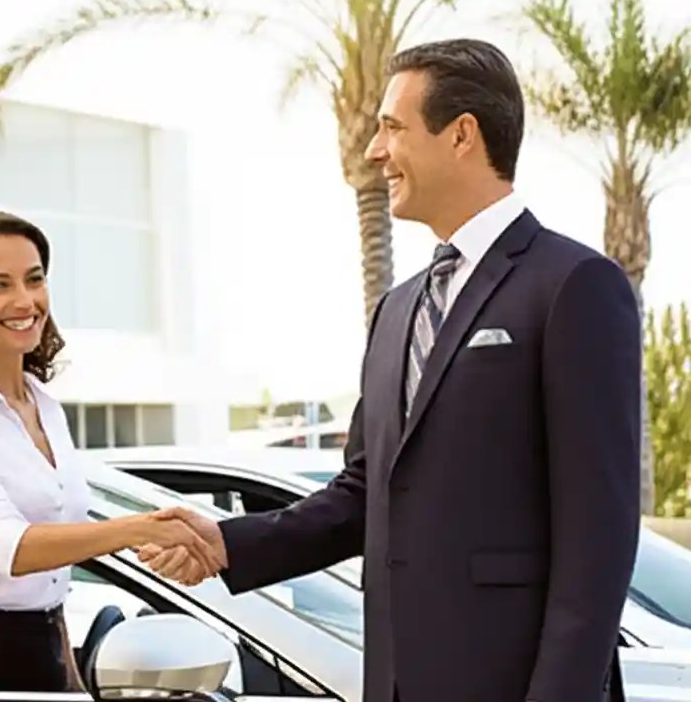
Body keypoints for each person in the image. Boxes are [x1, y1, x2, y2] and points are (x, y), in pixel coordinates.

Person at [142, 38, 641, 702]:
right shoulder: (397, 310)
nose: (375, 150)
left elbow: (597, 541)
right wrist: (228, 544)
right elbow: (362, 497)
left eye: (391, 127)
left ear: (461, 134)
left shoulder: (575, 284)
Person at [0, 210, 222, 692]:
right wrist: (136, 528)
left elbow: (52, 573)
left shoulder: (46, 405)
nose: (24, 300)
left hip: (46, 653)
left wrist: (69, 672)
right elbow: (10, 548)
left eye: (35, 280)